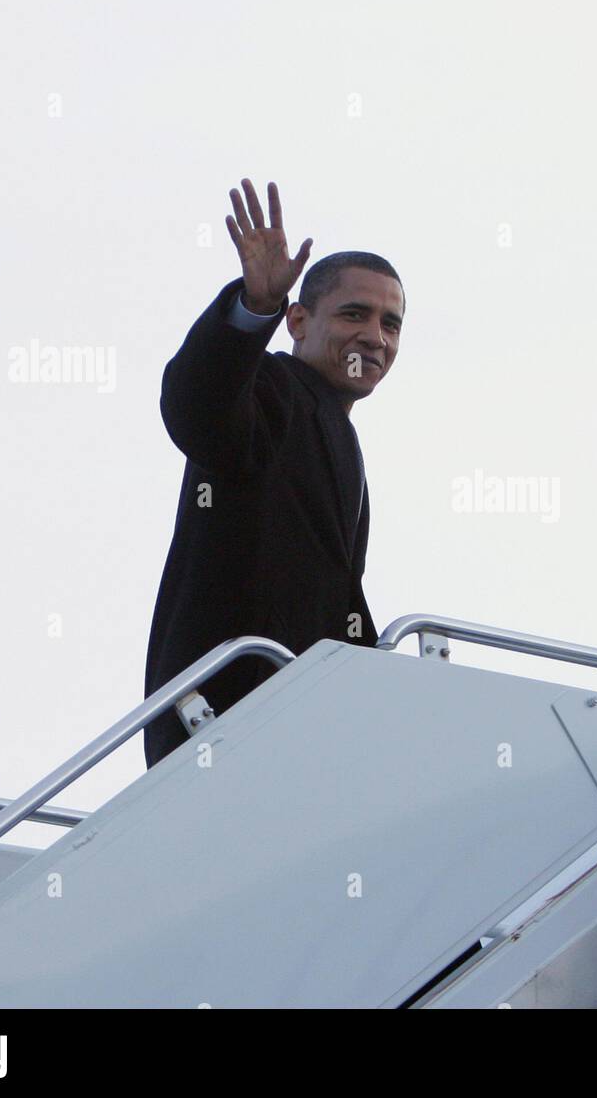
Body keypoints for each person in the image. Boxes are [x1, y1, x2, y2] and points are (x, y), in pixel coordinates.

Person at [141, 178, 405, 768]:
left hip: (302, 729)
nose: (375, 336)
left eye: (391, 324)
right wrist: (249, 310)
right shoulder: (271, 391)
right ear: (298, 321)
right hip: (225, 722)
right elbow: (198, 405)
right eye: (355, 314)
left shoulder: (335, 432)